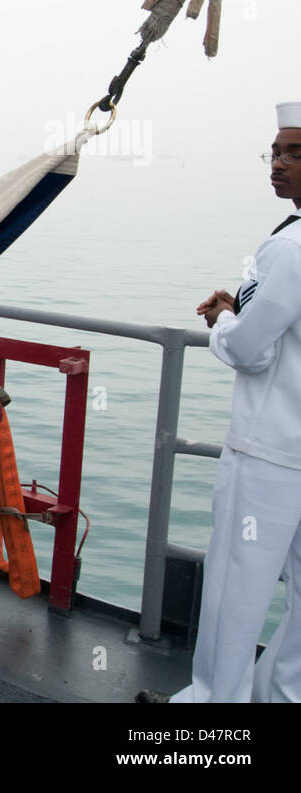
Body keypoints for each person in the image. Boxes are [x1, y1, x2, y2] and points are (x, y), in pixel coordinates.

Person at [149, 101, 301, 703]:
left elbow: (252, 351)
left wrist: (222, 321)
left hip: (270, 452)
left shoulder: (287, 248)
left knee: (237, 590)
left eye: (295, 153)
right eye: (276, 152)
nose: (279, 164)